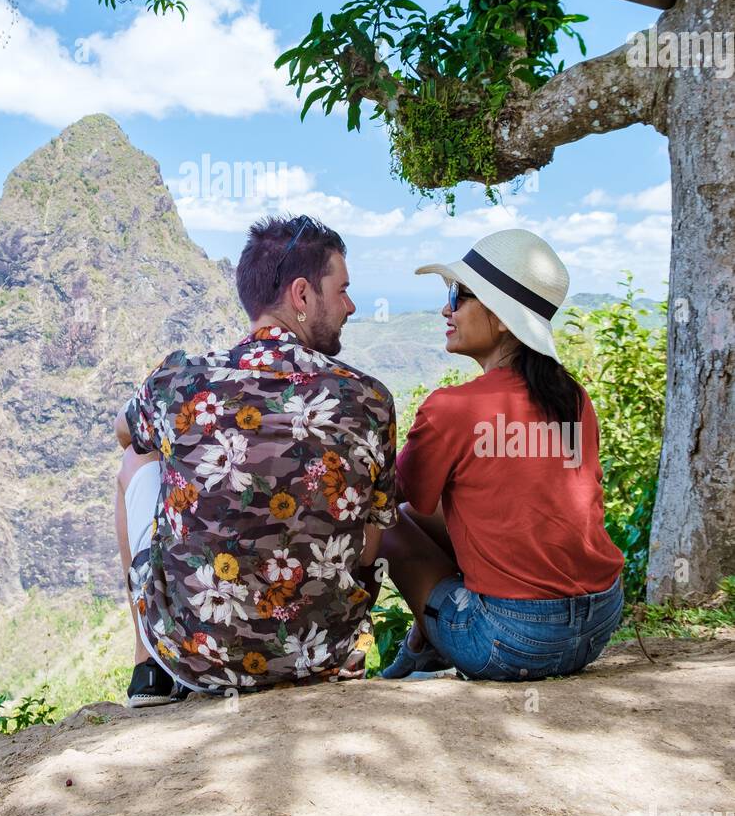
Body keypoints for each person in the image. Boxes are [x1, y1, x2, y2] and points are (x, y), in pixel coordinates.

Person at [113, 214, 398, 707]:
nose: (351, 306)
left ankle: (148, 669)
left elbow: (123, 432)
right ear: (302, 295)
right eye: (343, 290)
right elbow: (371, 541)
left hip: (199, 659)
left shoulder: (179, 382)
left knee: (135, 466)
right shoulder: (369, 397)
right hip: (324, 653)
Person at [378, 228, 625, 681]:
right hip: (599, 621)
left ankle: (426, 641)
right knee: (428, 512)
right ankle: (421, 639)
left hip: (514, 642)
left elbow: (384, 498)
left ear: (505, 318)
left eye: (459, 294)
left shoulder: (453, 407)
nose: (445, 308)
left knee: (390, 525)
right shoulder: (571, 396)